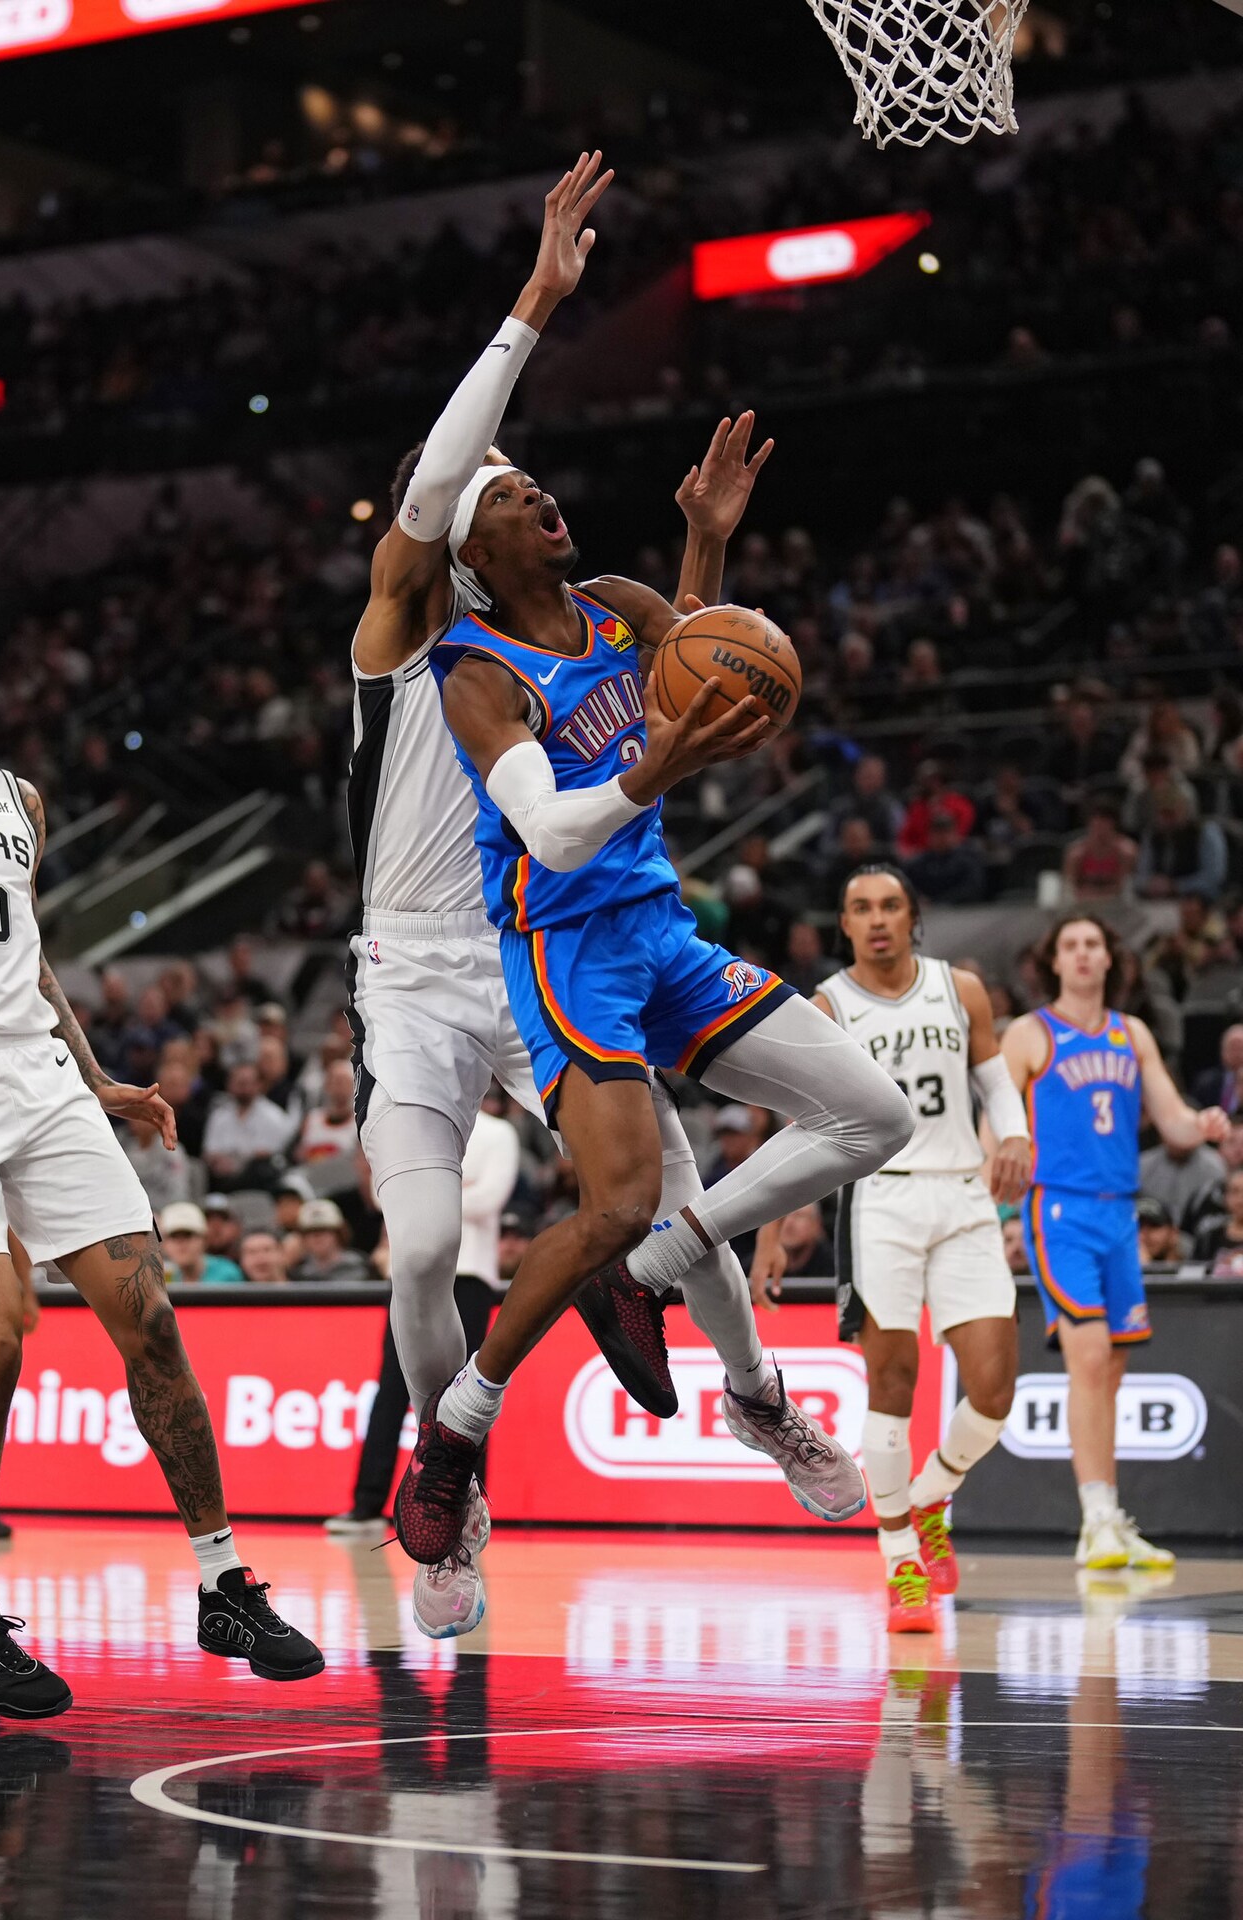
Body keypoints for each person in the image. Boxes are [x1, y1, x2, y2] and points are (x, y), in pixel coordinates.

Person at [342, 153, 863, 1634]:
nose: (511, 492)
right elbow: (443, 487)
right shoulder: (405, 636)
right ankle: (456, 1498)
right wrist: (536, 299)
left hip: (550, 941)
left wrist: (701, 549)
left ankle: (757, 1402)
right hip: (416, 976)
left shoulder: (576, 622)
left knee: (675, 1198)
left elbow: (670, 675)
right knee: (431, 1247)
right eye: (491, 489)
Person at [391, 418, 917, 1566]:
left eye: (537, 485)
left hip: (660, 932)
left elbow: (708, 675)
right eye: (508, 498)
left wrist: (705, 544)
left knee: (877, 1116)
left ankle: (660, 1278)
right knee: (615, 1203)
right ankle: (452, 1438)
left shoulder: (622, 600)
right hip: (562, 950)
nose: (539, 501)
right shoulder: (477, 674)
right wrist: (651, 769)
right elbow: (554, 832)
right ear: (474, 548)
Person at [0, 652, 322, 1716]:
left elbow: (26, 958)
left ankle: (222, 1581)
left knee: (153, 1321)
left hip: (40, 1083)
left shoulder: (14, 797)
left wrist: (101, 1078)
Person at [756, 864, 1029, 1632]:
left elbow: (994, 1079)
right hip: (882, 1199)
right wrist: (772, 1232)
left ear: (913, 916)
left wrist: (1015, 1132)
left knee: (995, 1391)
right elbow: (801, 1122)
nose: (877, 919)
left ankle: (930, 1494)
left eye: (890, 905)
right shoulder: (828, 1006)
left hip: (965, 1195)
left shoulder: (961, 987)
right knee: (894, 1384)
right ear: (844, 924)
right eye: (860, 908)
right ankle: (900, 1557)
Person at [1002, 915, 1229, 1573]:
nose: (1081, 954)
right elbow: (1000, 1125)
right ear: (1053, 961)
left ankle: (1108, 1517)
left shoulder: (1133, 1034)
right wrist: (994, 1193)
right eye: (1069, 945)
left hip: (1120, 1216)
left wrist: (1203, 1122)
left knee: (1114, 1368)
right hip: (1059, 1208)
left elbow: (1174, 1122)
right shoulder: (1030, 1034)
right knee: (1090, 1355)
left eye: (1092, 944)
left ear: (1110, 959)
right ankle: (1095, 1519)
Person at [324, 1101, 519, 1565]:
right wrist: (454, 1192)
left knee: (471, 1392)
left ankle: (467, 1505)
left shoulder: (497, 1133)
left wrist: (425, 1199)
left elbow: (491, 1197)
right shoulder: (415, 1123)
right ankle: (368, 1503)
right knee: (391, 1387)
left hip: (470, 1273)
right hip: (411, 1272)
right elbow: (379, 1195)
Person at [201, 1060, 296, 1187]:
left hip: (258, 1178)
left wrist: (239, 1162)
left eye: (246, 1083)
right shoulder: (219, 1115)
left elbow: (270, 1153)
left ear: (259, 1085)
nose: (243, 1088)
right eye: (238, 1083)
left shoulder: (273, 1117)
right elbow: (209, 1151)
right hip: (223, 1177)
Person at [1062, 804, 1137, 902]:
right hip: (1083, 903)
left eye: (1104, 823)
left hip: (1115, 903)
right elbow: (1070, 887)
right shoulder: (1076, 853)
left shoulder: (1126, 852)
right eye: (1096, 824)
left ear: (1113, 824)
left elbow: (1123, 887)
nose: (1099, 828)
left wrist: (1097, 895)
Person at [159, 1203, 245, 1285]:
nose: (181, 1243)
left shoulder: (227, 1274)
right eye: (173, 1237)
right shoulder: (162, 1276)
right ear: (164, 1244)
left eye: (188, 1235)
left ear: (204, 1239)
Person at [288, 1199, 370, 1283]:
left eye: (323, 1229)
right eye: (310, 1232)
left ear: (338, 1234)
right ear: (303, 1238)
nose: (317, 1237)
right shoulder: (299, 1275)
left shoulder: (363, 1266)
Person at [298, 1059, 359, 1162]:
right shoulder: (312, 1118)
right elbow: (299, 1154)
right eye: (336, 1082)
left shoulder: (360, 1123)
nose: (340, 1088)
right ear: (326, 1085)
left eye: (345, 1082)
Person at [1192, 1168, 1243, 1275]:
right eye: (1235, 1191)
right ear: (1225, 1197)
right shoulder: (1209, 1234)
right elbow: (1195, 1271)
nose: (1241, 1199)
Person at [1190, 1024, 1243, 1116]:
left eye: (1240, 1048)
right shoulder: (1205, 1081)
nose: (1237, 1054)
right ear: (1223, 1051)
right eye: (1233, 1048)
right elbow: (1194, 1111)